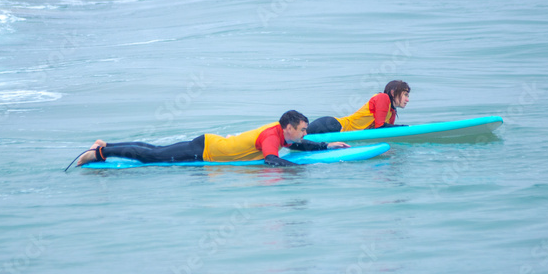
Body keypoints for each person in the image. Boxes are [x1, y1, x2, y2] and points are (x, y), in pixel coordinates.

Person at [72, 110, 349, 167]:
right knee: (152, 156)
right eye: (302, 129)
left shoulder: (280, 133)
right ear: (288, 127)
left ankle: (106, 145)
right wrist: (301, 170)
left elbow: (299, 144)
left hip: (208, 143)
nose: (304, 133)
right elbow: (271, 161)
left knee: (155, 149)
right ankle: (98, 154)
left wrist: (326, 146)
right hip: (204, 151)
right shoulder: (271, 137)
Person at [307, 80, 410, 134]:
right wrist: (407, 128)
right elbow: (380, 127)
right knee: (300, 138)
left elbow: (384, 132)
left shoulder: (392, 112)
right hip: (334, 125)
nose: (407, 99)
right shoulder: (383, 98)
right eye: (405, 95)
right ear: (393, 93)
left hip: (339, 130)